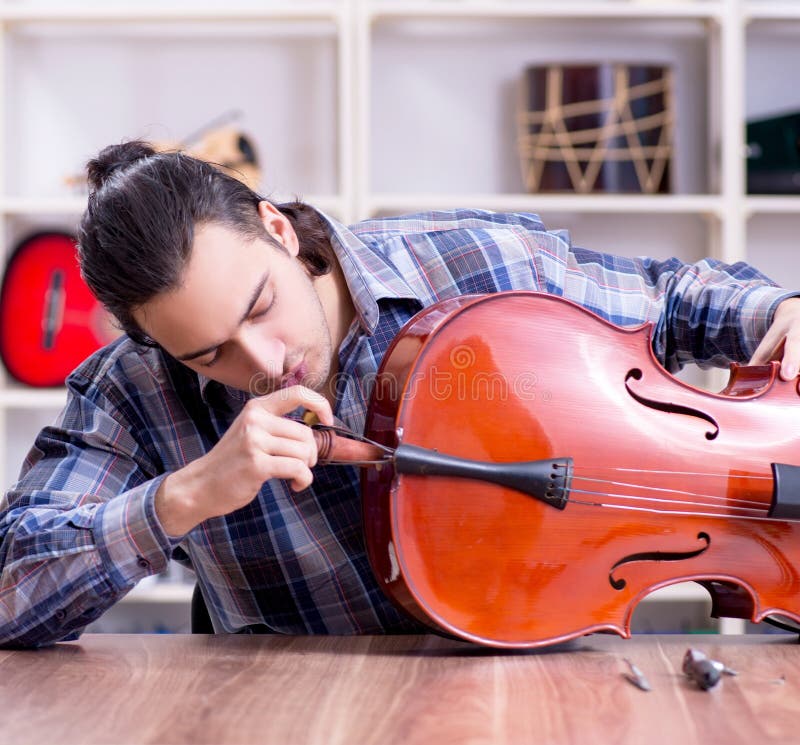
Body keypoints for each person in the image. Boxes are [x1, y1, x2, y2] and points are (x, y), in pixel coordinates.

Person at [0, 141, 798, 648]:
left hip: (546, 697)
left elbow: (680, 298)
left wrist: (780, 313)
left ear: (277, 229)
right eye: (210, 354)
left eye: (261, 307)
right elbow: (11, 594)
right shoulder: (133, 390)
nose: (266, 361)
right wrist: (182, 497)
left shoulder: (472, 264)